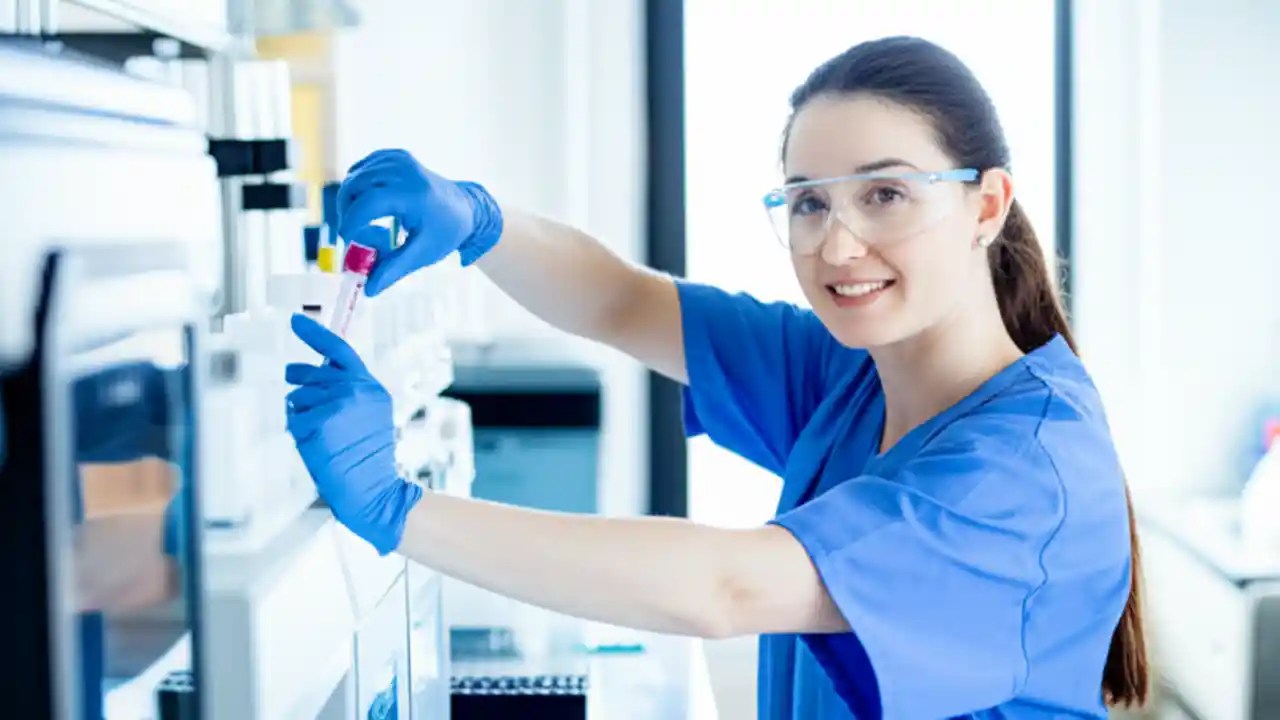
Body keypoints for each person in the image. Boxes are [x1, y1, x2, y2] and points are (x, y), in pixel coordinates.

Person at [284, 36, 1147, 718]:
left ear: (986, 204)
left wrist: (401, 510)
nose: (839, 246)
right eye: (809, 201)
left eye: (884, 194)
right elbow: (627, 304)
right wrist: (480, 221)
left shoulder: (1028, 474)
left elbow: (724, 587)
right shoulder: (853, 373)